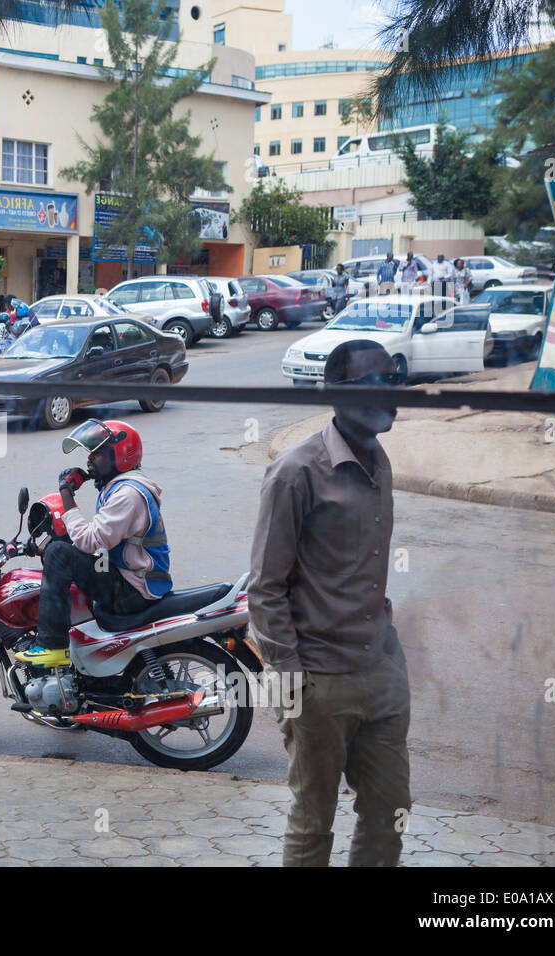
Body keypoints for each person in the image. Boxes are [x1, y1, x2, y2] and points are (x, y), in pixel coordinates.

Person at [249, 338, 410, 867]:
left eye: (394, 379)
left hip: (379, 671)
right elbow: (265, 585)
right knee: (314, 820)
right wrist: (290, 674)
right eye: (374, 383)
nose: (389, 393)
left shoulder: (379, 460)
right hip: (316, 677)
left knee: (389, 809)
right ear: (336, 394)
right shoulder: (297, 471)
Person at [17, 420, 169, 665]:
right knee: (62, 548)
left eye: (97, 454)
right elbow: (101, 538)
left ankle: (52, 644)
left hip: (133, 590)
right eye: (90, 453)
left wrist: (66, 493)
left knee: (58, 553)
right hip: (128, 576)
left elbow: (89, 541)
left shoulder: (127, 495)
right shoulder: (121, 488)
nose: (89, 460)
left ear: (121, 456)